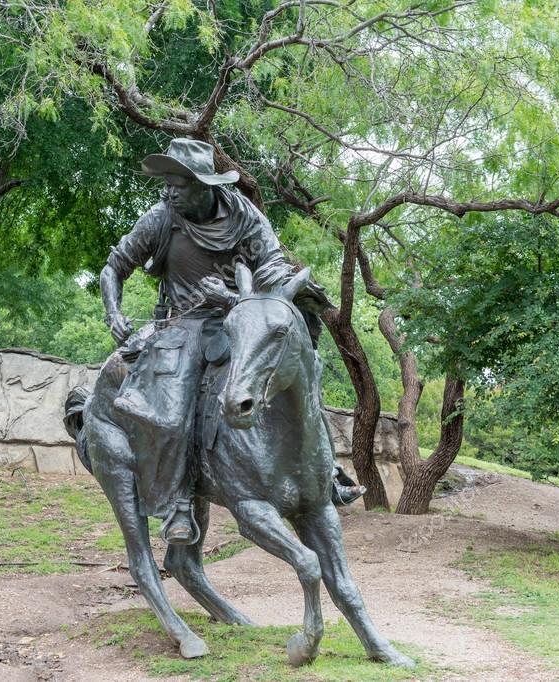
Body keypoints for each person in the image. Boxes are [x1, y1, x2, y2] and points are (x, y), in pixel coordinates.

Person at [101, 138, 363, 545]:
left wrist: (260, 295)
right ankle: (179, 501)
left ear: (204, 184)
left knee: (299, 369)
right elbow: (114, 267)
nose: (169, 192)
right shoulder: (161, 218)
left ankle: (324, 470)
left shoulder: (245, 217)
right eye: (167, 184)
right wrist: (114, 312)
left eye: (178, 184)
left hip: (241, 321)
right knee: (173, 411)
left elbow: (272, 267)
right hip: (183, 330)